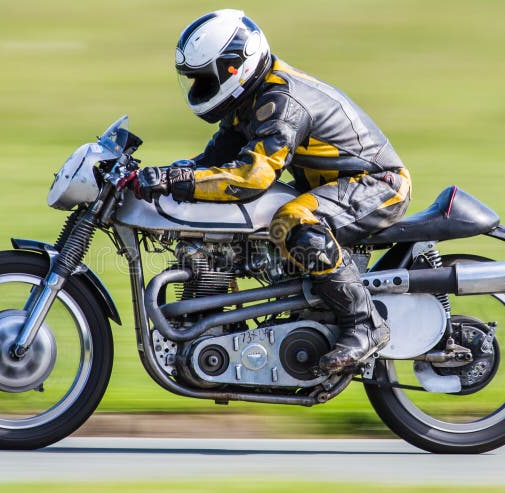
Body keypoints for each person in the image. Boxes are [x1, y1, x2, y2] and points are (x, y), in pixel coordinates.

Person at [132, 9, 411, 372]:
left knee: (290, 221)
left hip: (378, 184)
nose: (199, 88)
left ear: (236, 66)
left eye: (205, 78)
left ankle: (365, 324)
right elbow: (212, 161)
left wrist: (178, 182)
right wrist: (165, 174)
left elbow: (251, 178)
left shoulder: (281, 103)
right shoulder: (249, 102)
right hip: (329, 186)